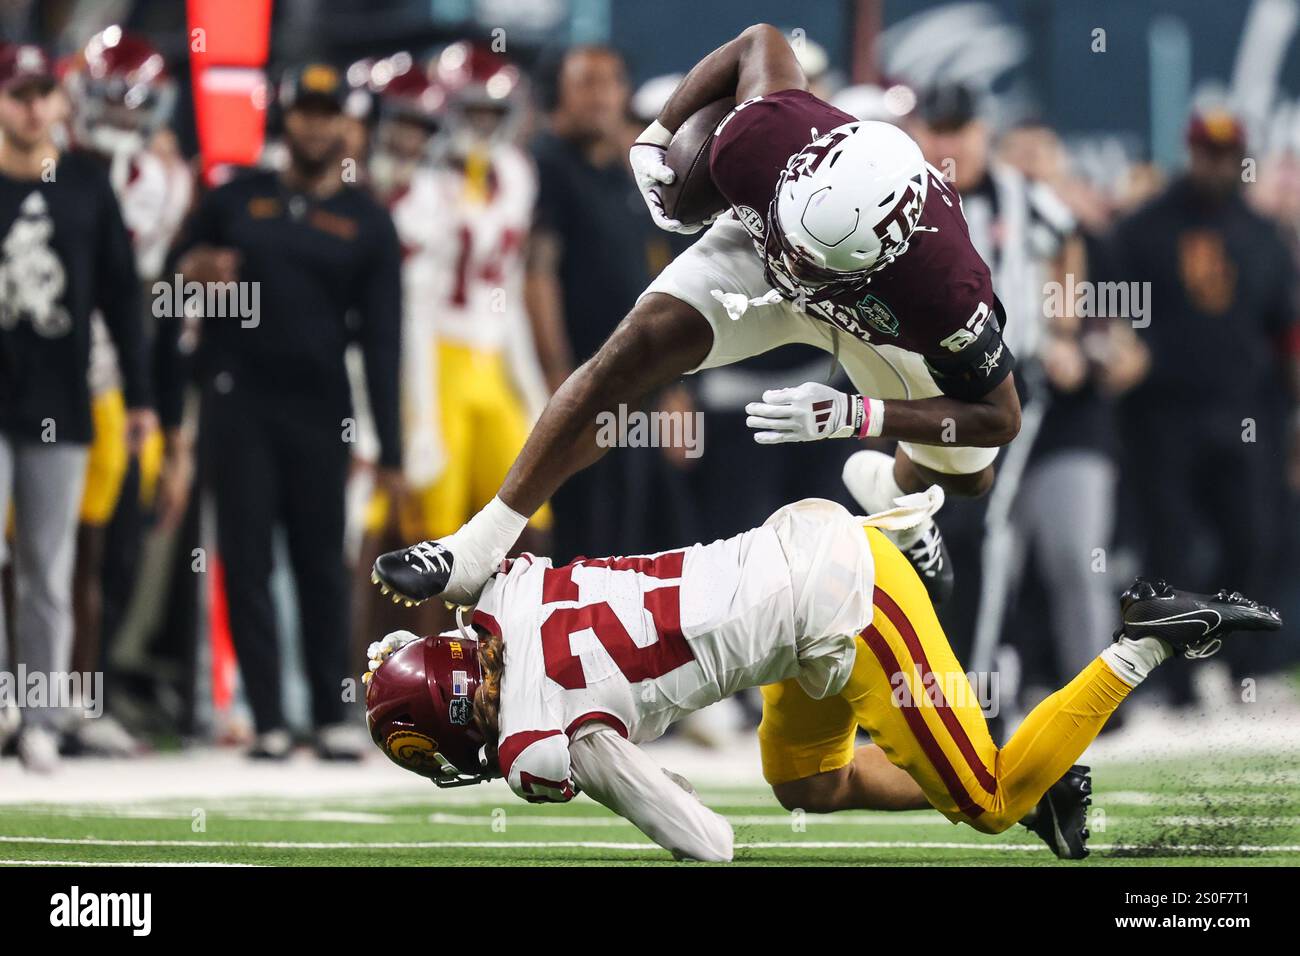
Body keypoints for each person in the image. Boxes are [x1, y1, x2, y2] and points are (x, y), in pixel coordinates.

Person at [373, 25, 1021, 612]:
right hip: (757, 245)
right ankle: (476, 547)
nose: (795, 269)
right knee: (633, 349)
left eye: (811, 262)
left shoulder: (945, 287)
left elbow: (1000, 418)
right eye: (793, 244)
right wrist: (657, 136)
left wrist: (857, 416)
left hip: (871, 318)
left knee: (968, 474)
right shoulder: (767, 140)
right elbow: (758, 41)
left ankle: (899, 498)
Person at [364, 492, 1281, 863]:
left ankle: (1150, 640)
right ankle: (915, 555)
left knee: (991, 801)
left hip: (843, 605)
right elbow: (472, 575)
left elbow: (708, 842)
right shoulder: (511, 593)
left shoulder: (530, 734)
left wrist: (584, 771)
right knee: (804, 779)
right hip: (791, 574)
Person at [162, 61, 402, 759]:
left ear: (344, 123)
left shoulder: (367, 220)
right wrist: (188, 273)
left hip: (322, 407)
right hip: (238, 400)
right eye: (305, 110)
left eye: (329, 112)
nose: (316, 124)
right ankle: (266, 717)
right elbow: (168, 287)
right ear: (286, 118)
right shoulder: (235, 197)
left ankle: (329, 712)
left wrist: (390, 447)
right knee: (244, 560)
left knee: (321, 561)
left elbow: (384, 341)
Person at [356, 44, 554, 642]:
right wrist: (415, 419)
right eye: (472, 112)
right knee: (426, 536)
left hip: (491, 361)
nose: (483, 127)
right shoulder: (422, 190)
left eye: (493, 114)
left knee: (529, 514)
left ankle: (514, 662)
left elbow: (510, 287)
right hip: (434, 361)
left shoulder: (518, 175)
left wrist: (536, 388)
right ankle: (404, 676)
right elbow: (410, 310)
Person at [1110, 105, 1300, 704]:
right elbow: (1112, 313)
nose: (1216, 164)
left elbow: (1287, 327)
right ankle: (1180, 676)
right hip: (1163, 413)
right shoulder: (1144, 228)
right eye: (1206, 152)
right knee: (1170, 545)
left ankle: (1250, 665)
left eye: (1226, 154)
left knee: (1253, 536)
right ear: (1189, 153)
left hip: (1246, 410)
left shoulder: (1262, 233)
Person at [0, 43, 155, 772]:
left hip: (62, 399)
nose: (30, 107)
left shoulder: (88, 184)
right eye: (15, 93)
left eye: (40, 93)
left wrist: (142, 399)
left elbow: (124, 300)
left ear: (60, 100)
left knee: (48, 564)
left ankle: (40, 712)